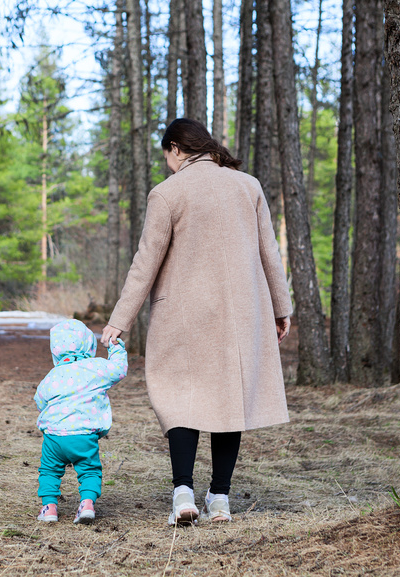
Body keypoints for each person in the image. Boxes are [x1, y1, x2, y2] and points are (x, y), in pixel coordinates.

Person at [100, 118, 292, 526]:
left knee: (179, 399)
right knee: (230, 400)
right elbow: (269, 252)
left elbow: (145, 262)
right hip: (242, 313)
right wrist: (280, 306)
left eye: (166, 155)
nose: (167, 163)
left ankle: (183, 494)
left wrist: (121, 319)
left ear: (175, 148)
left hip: (183, 316)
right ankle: (219, 498)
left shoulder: (167, 193)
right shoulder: (248, 185)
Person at [35, 319, 128, 524]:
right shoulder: (96, 368)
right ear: (89, 345)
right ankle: (87, 504)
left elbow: (40, 399)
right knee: (89, 470)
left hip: (53, 437)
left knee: (49, 470)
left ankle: (49, 508)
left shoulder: (53, 375)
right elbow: (119, 369)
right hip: (84, 435)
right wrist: (115, 347)